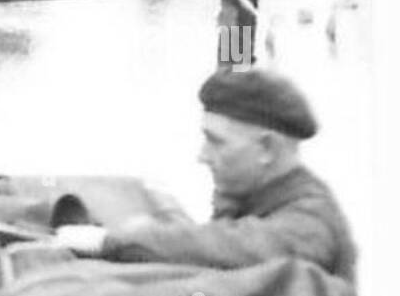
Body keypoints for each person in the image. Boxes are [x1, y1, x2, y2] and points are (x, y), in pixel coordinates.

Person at [56, 67, 356, 283]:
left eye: (216, 142)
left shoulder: (310, 223)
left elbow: (225, 248)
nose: (202, 156)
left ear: (266, 148)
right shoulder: (256, 199)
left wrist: (112, 241)